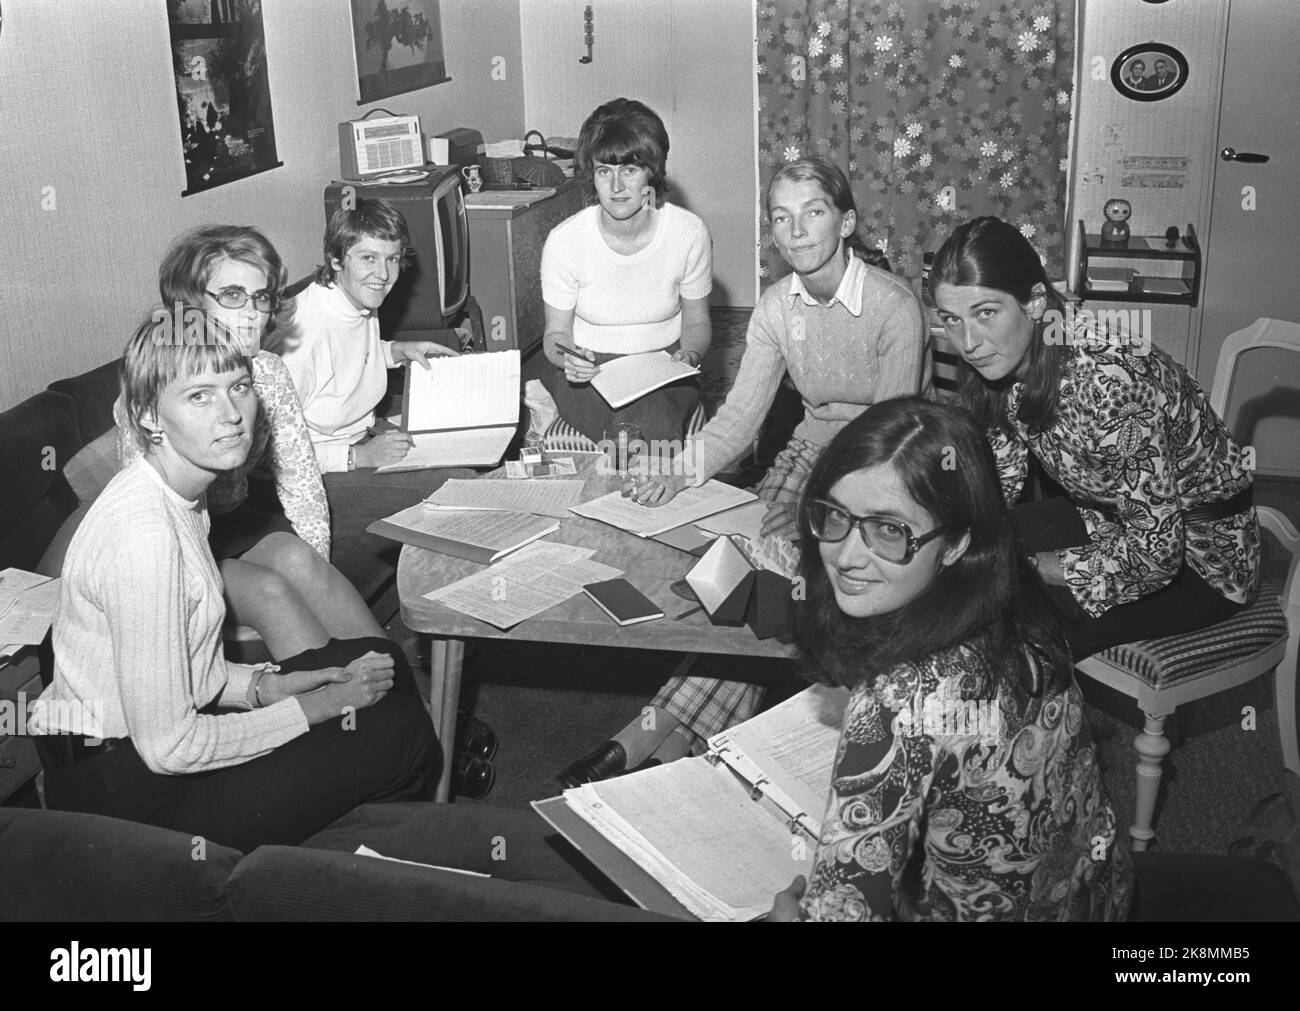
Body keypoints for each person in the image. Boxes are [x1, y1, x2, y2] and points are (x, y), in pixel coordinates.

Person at [557, 157, 928, 786]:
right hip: (809, 454)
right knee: (731, 575)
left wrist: (826, 513)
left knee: (768, 581)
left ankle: (647, 745)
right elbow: (739, 419)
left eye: (813, 213)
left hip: (882, 477)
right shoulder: (777, 308)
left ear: (846, 221)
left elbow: (890, 441)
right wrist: (679, 472)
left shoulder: (894, 306)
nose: (797, 231)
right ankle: (672, 756)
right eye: (781, 219)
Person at [29, 314, 437, 852]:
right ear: (150, 415)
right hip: (125, 789)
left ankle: (320, 843)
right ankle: (318, 876)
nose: (231, 415)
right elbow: (170, 748)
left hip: (139, 746)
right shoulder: (144, 535)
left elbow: (182, 668)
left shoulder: (180, 495)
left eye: (238, 387)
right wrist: (313, 708)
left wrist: (266, 687)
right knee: (402, 739)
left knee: (381, 665)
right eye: (199, 396)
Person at [768, 397, 1133, 921]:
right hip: (1098, 897)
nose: (845, 557)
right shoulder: (1020, 610)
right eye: (834, 516)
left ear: (958, 543)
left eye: (889, 530)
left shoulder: (896, 705)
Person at [930, 216, 1259, 659]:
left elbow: (1158, 555)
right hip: (1107, 521)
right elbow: (1001, 475)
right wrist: (960, 532)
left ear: (1033, 302)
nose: (968, 342)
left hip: (1201, 563)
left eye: (985, 312)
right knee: (952, 565)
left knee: (1022, 641)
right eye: (952, 319)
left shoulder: (1110, 385)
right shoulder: (1006, 357)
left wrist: (1036, 567)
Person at [114, 225, 380, 662]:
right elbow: (147, 510)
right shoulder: (151, 383)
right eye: (233, 295)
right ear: (190, 306)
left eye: (261, 297)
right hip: (175, 537)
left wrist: (316, 566)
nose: (254, 313)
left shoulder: (270, 373)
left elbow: (301, 482)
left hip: (236, 516)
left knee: (300, 559)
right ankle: (332, 713)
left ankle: (398, 703)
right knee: (268, 590)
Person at [539, 97, 713, 446]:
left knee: (656, 415)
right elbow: (554, 335)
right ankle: (646, 479)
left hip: (665, 364)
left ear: (653, 171)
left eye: (630, 170)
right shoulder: (565, 241)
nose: (616, 187)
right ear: (592, 174)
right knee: (636, 432)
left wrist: (688, 355)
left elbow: (697, 323)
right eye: (605, 171)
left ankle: (635, 479)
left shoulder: (688, 232)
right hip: (589, 373)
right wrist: (571, 360)